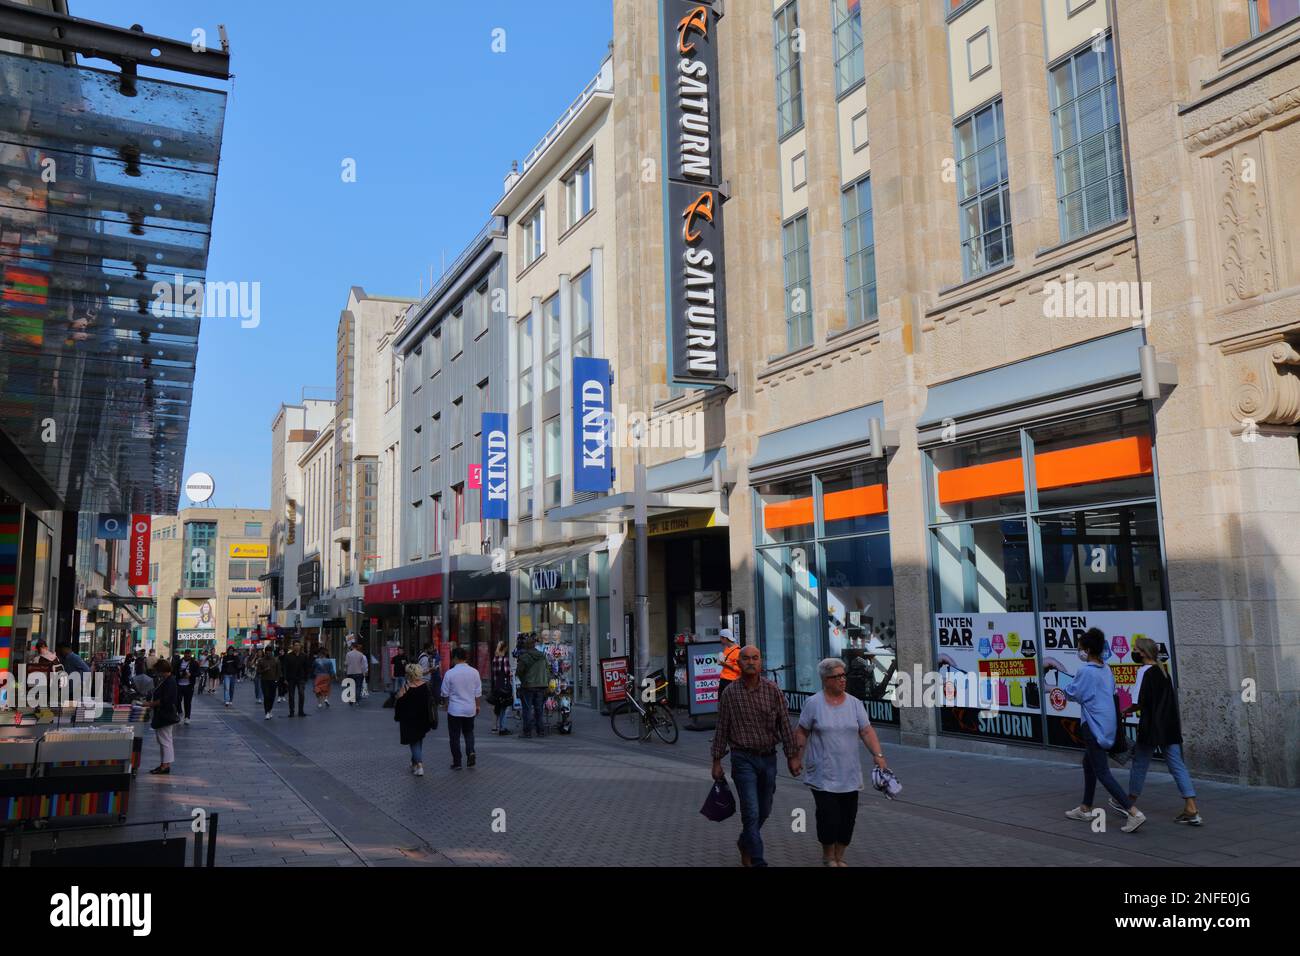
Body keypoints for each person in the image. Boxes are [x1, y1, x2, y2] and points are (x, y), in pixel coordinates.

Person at [791, 658, 889, 866]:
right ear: (826, 680)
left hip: (849, 773)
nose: (843, 680)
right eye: (837, 677)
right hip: (822, 773)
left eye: (843, 675)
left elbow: (866, 730)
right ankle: (828, 856)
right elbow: (801, 731)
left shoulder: (855, 704)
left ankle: (840, 856)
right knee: (828, 817)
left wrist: (878, 755)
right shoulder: (814, 703)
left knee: (847, 818)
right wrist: (797, 757)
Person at [710, 644, 797, 867]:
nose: (750, 662)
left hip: (768, 758)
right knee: (750, 810)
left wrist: (792, 756)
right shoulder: (730, 693)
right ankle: (758, 861)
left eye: (755, 658)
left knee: (765, 809)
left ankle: (744, 841)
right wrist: (717, 760)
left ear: (761, 662)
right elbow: (722, 728)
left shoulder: (773, 691)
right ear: (738, 663)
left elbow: (785, 725)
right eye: (746, 658)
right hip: (742, 758)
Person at [1054, 627, 1146, 833]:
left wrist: (1059, 689)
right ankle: (1085, 807)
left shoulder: (1085, 671)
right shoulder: (1106, 669)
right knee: (1089, 763)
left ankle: (1133, 812)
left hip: (1094, 726)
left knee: (1102, 772)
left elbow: (1074, 693)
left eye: (1080, 649)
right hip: (1107, 724)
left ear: (1087, 650)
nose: (1079, 652)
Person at [1115, 636, 1201, 825]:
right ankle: (1191, 806)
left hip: (1152, 727)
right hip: (1169, 726)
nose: (1134, 652)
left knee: (1139, 764)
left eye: (1136, 649)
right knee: (1177, 765)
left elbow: (1138, 702)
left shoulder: (1144, 672)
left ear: (1144, 653)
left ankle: (1128, 802)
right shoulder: (1163, 672)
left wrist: (1124, 711)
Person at [441, 646, 482, 769]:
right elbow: (478, 692)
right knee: (469, 733)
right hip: (470, 708)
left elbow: (444, 692)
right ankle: (470, 752)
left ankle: (457, 762)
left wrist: (446, 704)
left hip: (455, 709)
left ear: (455, 658)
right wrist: (478, 705)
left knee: (454, 736)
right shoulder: (474, 672)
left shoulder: (450, 673)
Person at [141, 659, 179, 774]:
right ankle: (164, 763)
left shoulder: (169, 681)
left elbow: (165, 700)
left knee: (165, 740)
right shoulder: (167, 680)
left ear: (162, 670)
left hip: (165, 715)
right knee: (164, 740)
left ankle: (165, 765)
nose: (157, 673)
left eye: (158, 670)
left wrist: (150, 704)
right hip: (163, 714)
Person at [394, 663, 432, 776]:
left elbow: (398, 701)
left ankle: (419, 765)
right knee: (418, 740)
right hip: (423, 718)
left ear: (409, 674)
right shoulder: (426, 686)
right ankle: (414, 762)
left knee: (413, 741)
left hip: (409, 720)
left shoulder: (406, 687)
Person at [516, 636, 549, 739]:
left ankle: (527, 732)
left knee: (527, 709)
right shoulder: (542, 656)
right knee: (539, 710)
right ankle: (541, 731)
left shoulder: (524, 657)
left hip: (528, 686)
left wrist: (523, 680)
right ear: (534, 645)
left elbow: (519, 672)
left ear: (526, 646)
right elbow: (547, 669)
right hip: (541, 685)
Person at [489, 641, 513, 735]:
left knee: (497, 706)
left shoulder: (494, 659)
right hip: (504, 687)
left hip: (496, 686)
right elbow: (507, 672)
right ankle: (503, 727)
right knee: (505, 707)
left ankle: (495, 727)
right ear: (504, 648)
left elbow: (494, 674)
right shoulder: (505, 659)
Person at [282, 641, 310, 717]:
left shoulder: (304, 656)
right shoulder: (288, 656)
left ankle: (301, 711)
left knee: (301, 694)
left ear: (300, 646)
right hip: (291, 678)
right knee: (291, 696)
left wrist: (306, 677)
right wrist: (285, 678)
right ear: (293, 646)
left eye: (298, 645)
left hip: (301, 678)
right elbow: (285, 668)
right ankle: (291, 711)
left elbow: (307, 667)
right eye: (295, 645)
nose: (297, 647)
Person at [173, 650, 199, 724]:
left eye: (189, 655)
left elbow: (198, 672)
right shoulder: (178, 662)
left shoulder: (194, 663)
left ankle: (187, 717)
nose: (187, 656)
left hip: (189, 685)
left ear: (191, 655)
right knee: (177, 700)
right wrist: (179, 674)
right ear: (184, 655)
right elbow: (174, 671)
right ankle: (180, 712)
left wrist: (191, 674)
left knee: (187, 702)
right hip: (179, 684)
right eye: (186, 655)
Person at [256, 647, 280, 720]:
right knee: (266, 696)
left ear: (272, 652)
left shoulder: (276, 660)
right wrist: (264, 670)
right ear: (265, 652)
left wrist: (277, 680)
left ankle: (270, 709)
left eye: (270, 652)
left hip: (273, 681)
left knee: (272, 697)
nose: (268, 653)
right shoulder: (261, 661)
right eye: (267, 652)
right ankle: (267, 712)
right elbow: (258, 672)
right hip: (264, 681)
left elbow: (278, 671)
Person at [717, 627, 741, 699]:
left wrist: (725, 664)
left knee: (730, 703)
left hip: (731, 681)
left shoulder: (738, 651)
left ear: (725, 638)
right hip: (723, 679)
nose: (720, 640)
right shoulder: (727, 649)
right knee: (721, 702)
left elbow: (739, 669)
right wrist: (721, 663)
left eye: (721, 638)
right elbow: (726, 663)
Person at [345, 642, 368, 706]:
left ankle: (351, 700)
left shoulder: (348, 654)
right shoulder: (361, 654)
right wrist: (364, 672)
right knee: (358, 687)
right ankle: (357, 701)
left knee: (350, 686)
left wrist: (346, 670)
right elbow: (363, 665)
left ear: (352, 647)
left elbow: (346, 663)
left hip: (350, 672)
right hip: (359, 672)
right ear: (357, 647)